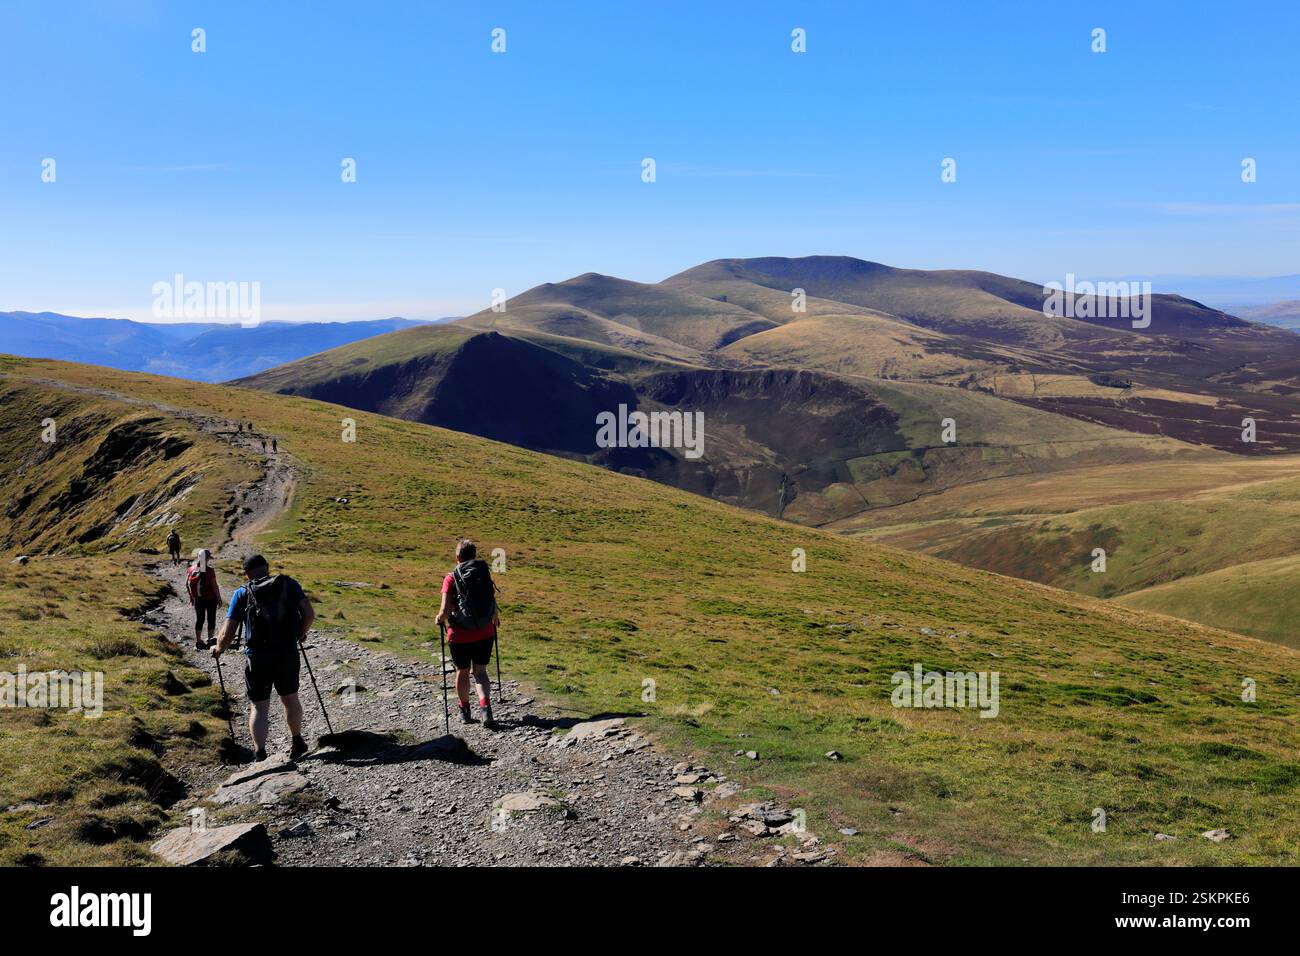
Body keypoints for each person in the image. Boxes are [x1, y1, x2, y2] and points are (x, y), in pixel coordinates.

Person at [213, 554, 315, 761]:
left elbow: (227, 633)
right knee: (290, 698)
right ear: (267, 568)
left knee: (259, 705)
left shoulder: (242, 593)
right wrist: (300, 634)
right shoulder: (288, 583)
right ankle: (297, 741)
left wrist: (218, 649)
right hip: (287, 651)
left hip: (257, 656)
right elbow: (309, 613)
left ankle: (260, 753)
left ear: (246, 573)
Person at [435, 539, 499, 728]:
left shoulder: (451, 578)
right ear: (474, 555)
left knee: (462, 672)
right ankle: (486, 708)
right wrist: (494, 619)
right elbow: (491, 600)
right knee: (480, 672)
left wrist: (439, 618)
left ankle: (465, 712)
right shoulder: (483, 573)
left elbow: (445, 611)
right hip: (484, 631)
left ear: (457, 557)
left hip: (460, 635)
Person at [186, 548, 221, 650]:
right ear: (207, 559)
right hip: (211, 599)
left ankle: (198, 641)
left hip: (198, 599)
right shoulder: (210, 571)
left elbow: (187, 584)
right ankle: (210, 641)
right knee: (211, 619)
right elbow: (215, 586)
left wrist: (191, 597)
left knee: (199, 619)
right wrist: (219, 598)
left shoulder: (191, 569)